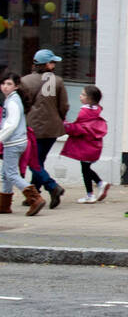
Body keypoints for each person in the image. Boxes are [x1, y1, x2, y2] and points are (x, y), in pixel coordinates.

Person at [19, 48, 68, 208]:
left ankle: (52, 187)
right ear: (45, 64)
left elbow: (22, 106)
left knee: (34, 163)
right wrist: (59, 118)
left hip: (33, 128)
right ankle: (35, 194)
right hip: (53, 128)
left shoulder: (24, 81)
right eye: (52, 62)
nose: (54, 65)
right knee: (38, 160)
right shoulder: (58, 81)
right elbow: (64, 106)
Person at [0, 72, 44, 216]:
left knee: (11, 174)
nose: (5, 87)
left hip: (13, 142)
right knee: (6, 173)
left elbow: (11, 124)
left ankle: (35, 198)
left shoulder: (12, 101)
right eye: (3, 83)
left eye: (9, 84)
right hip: (16, 141)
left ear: (16, 86)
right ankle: (4, 205)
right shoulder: (13, 99)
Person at [62, 85, 109, 203]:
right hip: (93, 145)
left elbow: (79, 129)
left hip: (85, 146)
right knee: (86, 168)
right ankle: (99, 183)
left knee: (85, 170)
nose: (80, 96)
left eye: (83, 95)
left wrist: (66, 125)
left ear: (90, 99)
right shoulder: (96, 110)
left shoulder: (84, 112)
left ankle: (91, 194)